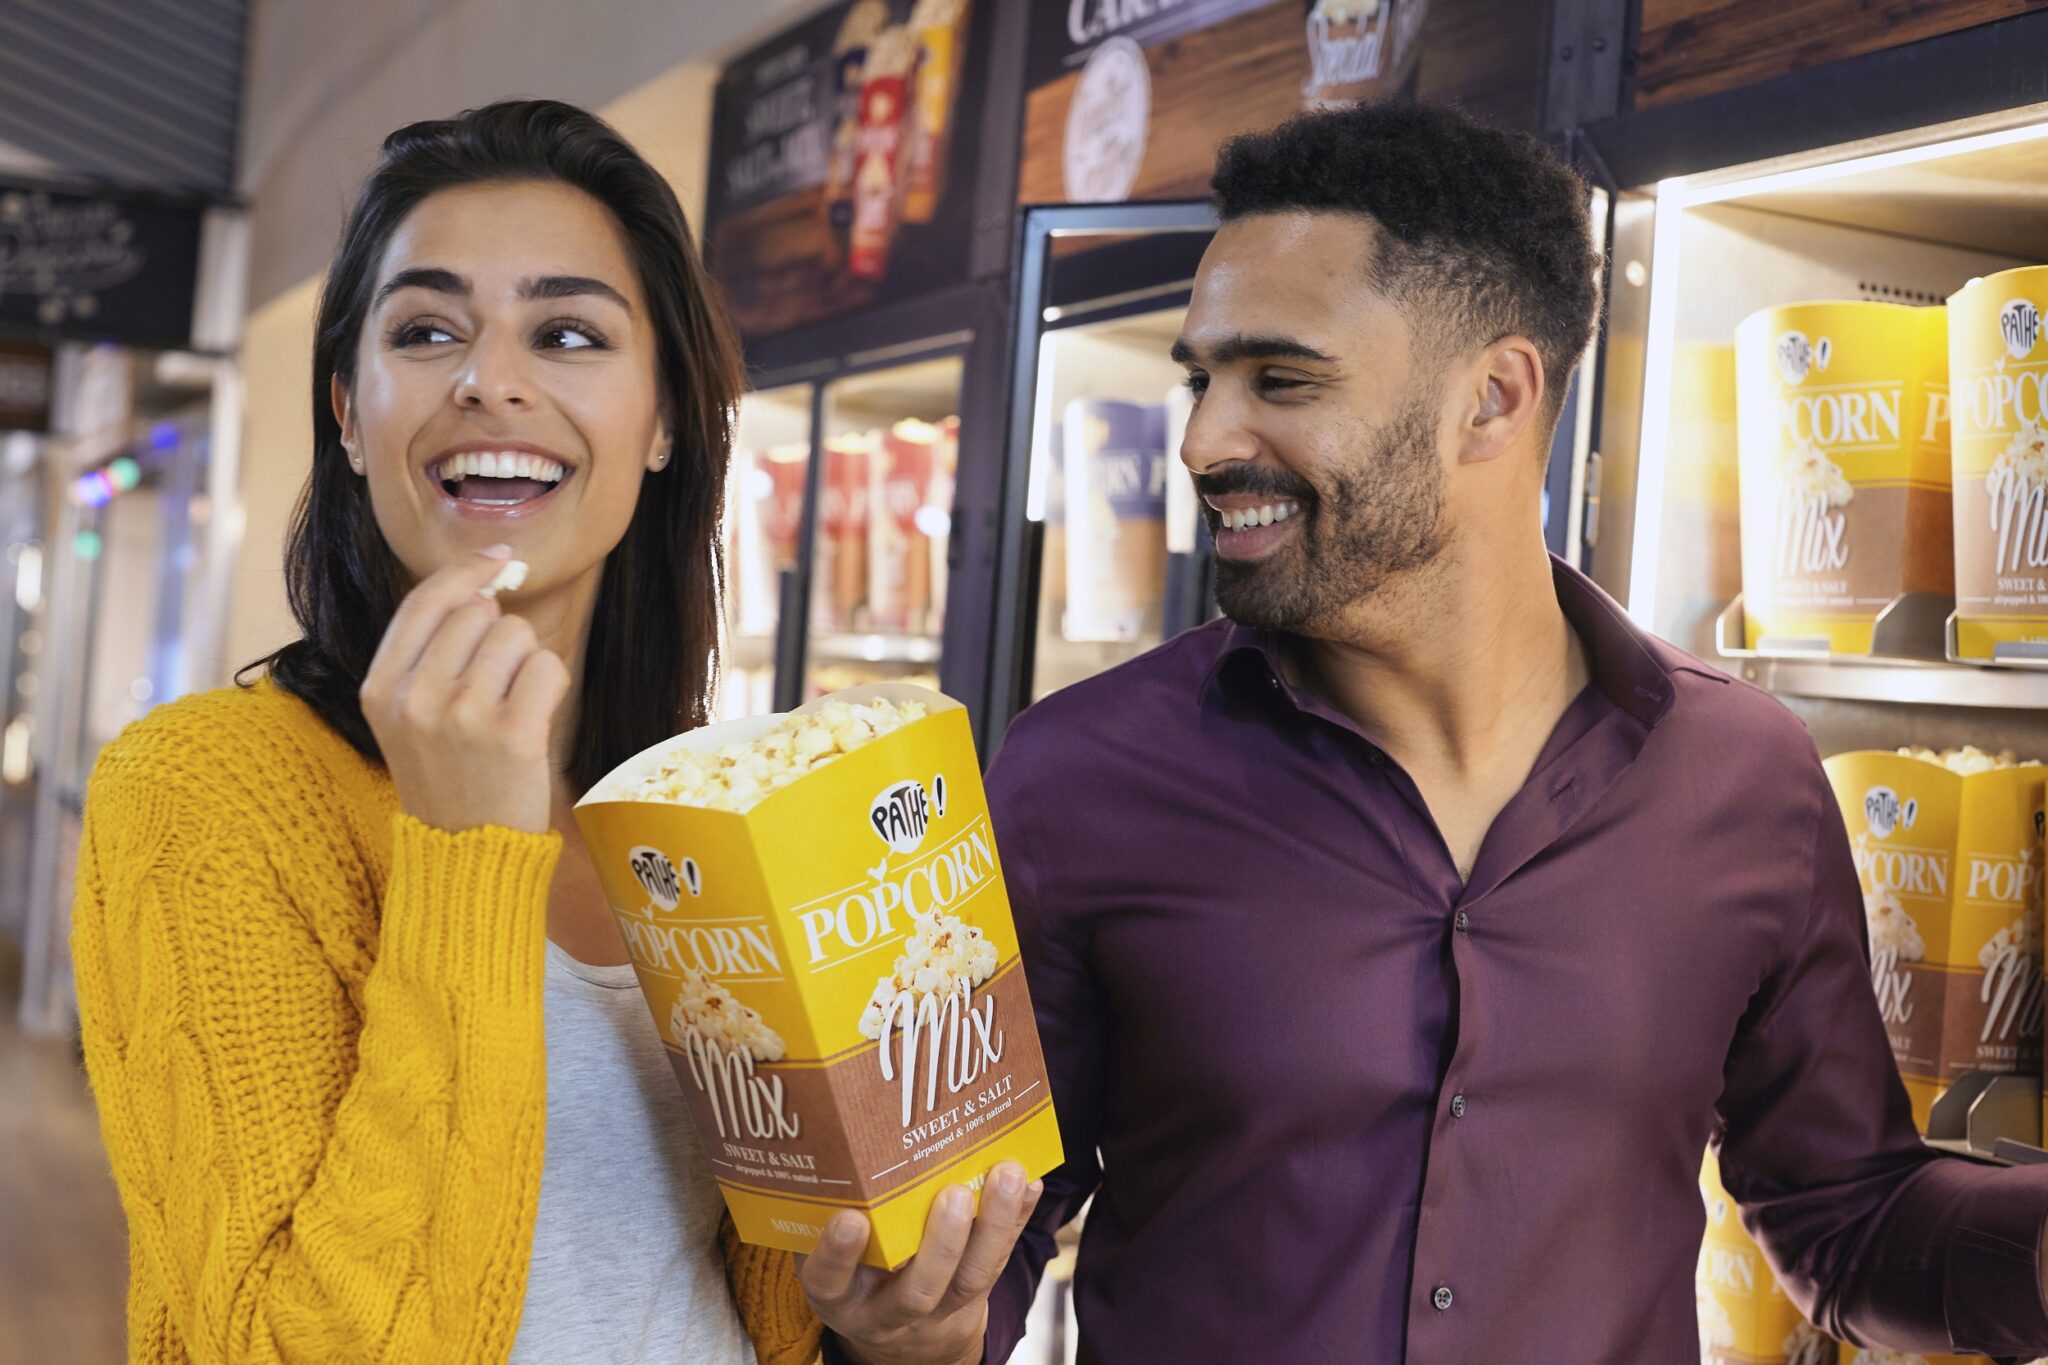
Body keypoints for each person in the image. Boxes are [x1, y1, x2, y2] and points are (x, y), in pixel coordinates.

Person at [803, 103, 2048, 1362]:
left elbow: (1845, 1215)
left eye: (1278, 379)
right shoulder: (1079, 775)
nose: (1203, 440)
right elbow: (986, 1234)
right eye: (1200, 377)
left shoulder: (1746, 780)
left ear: (1492, 401)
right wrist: (912, 1334)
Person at [71, 100, 826, 1363]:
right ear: (352, 416)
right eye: (426, 331)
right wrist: (464, 856)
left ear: (662, 422)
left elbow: (758, 1302)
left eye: (568, 332)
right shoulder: (201, 792)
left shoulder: (703, 818)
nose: (491, 380)